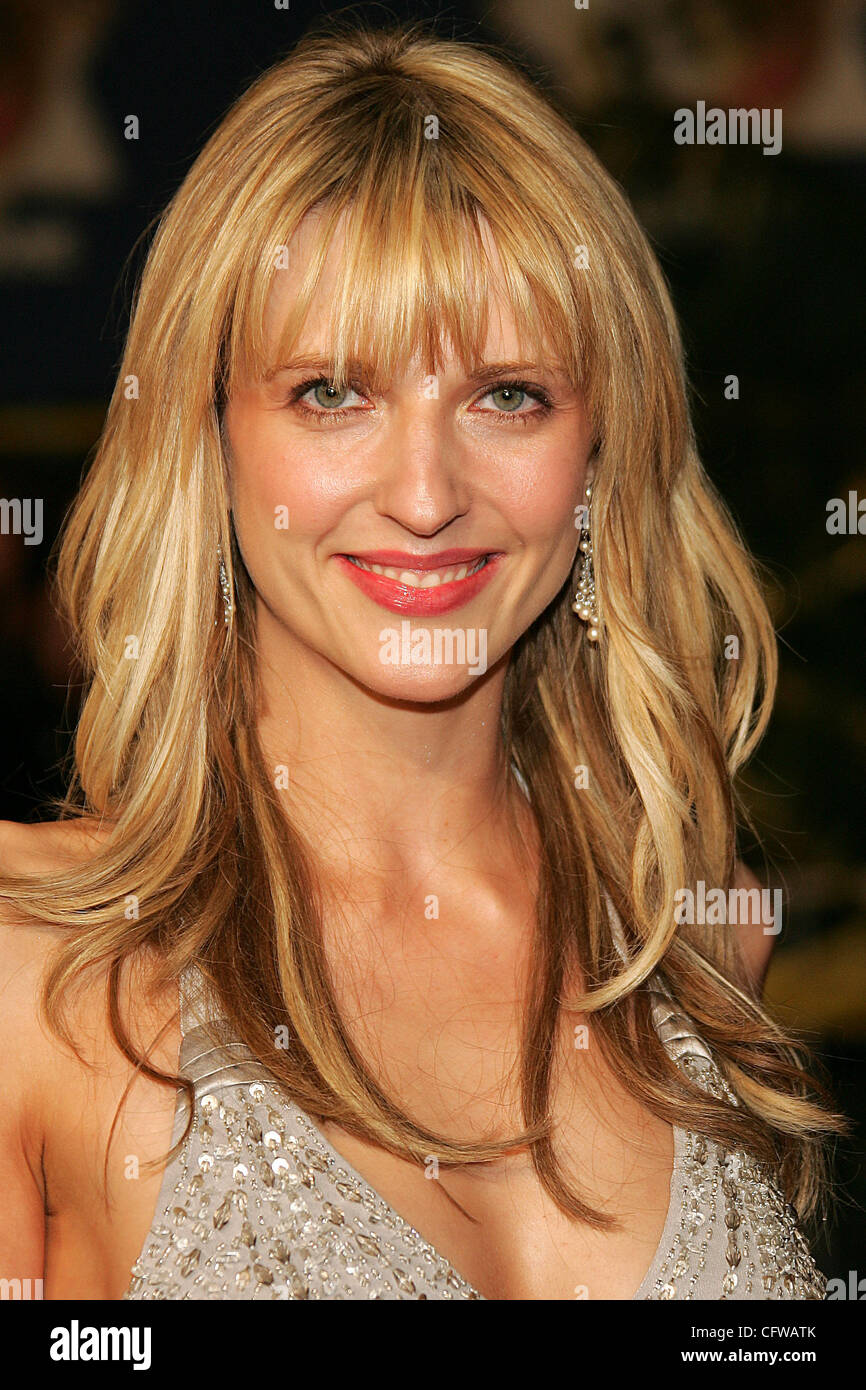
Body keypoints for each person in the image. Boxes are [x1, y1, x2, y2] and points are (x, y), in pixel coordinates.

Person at [0, 19, 844, 1301]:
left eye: (509, 394)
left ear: (602, 451)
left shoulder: (692, 935)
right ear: (208, 438)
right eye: (332, 391)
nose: (425, 492)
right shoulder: (31, 966)